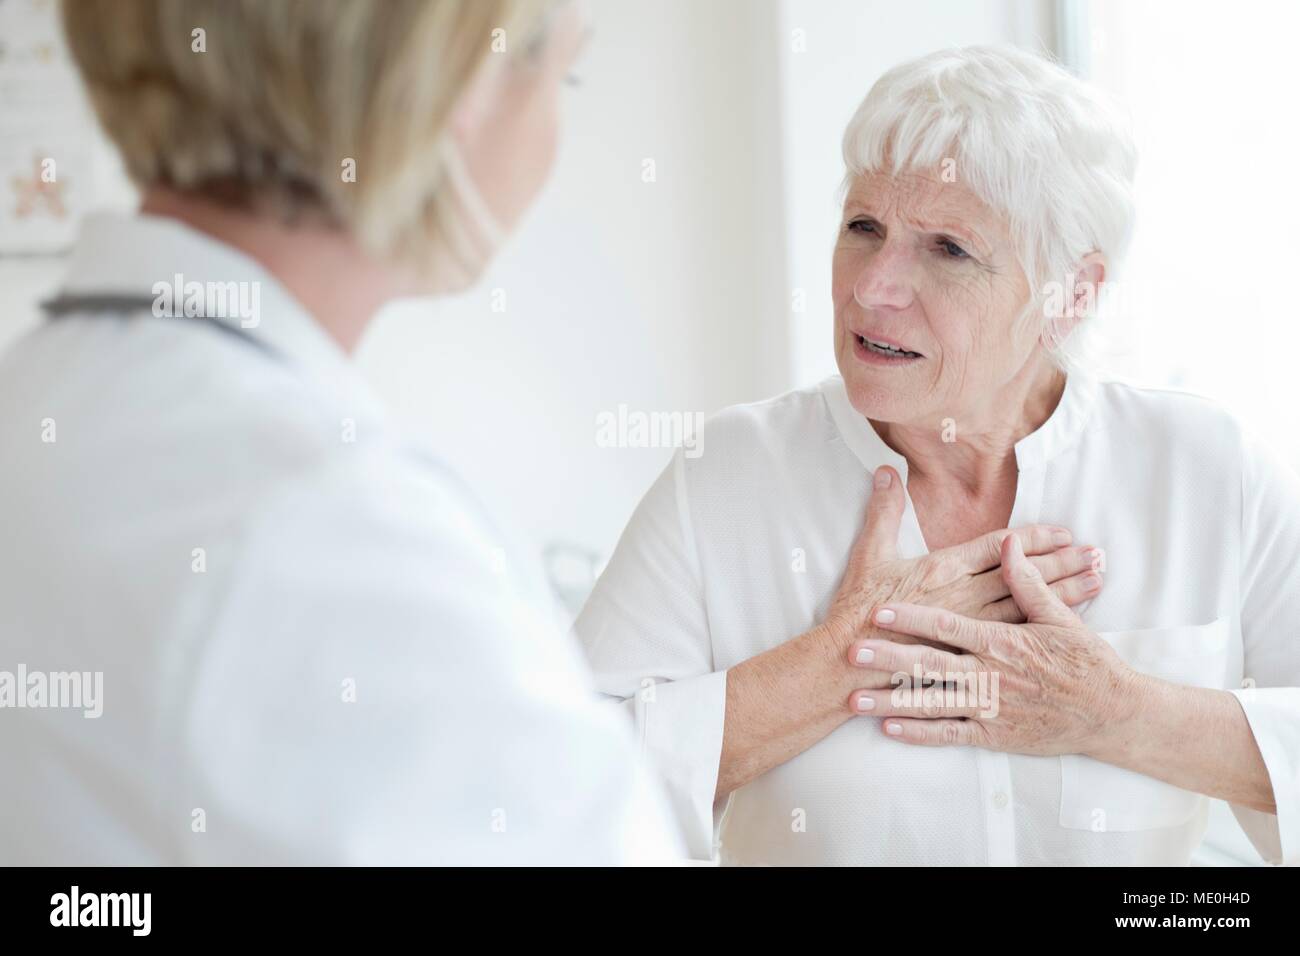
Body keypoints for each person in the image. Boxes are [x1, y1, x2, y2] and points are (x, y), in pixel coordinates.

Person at [575, 45, 1300, 866]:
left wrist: (1118, 711)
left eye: (948, 249)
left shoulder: (1208, 471)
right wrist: (840, 663)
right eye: (864, 227)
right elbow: (552, 787)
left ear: (1074, 293)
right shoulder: (727, 477)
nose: (873, 286)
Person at [0, 0, 681, 865]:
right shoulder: (331, 533)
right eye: (562, 78)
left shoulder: (42, 403)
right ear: (456, 84)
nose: (553, 133)